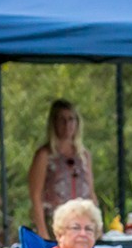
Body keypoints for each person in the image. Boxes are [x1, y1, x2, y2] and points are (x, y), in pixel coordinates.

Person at [28, 100, 98, 239]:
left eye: (71, 119)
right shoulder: (45, 155)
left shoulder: (83, 156)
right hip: (55, 223)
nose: (67, 125)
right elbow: (36, 196)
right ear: (54, 123)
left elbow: (90, 193)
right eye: (62, 120)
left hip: (82, 224)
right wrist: (43, 232)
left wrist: (96, 225)